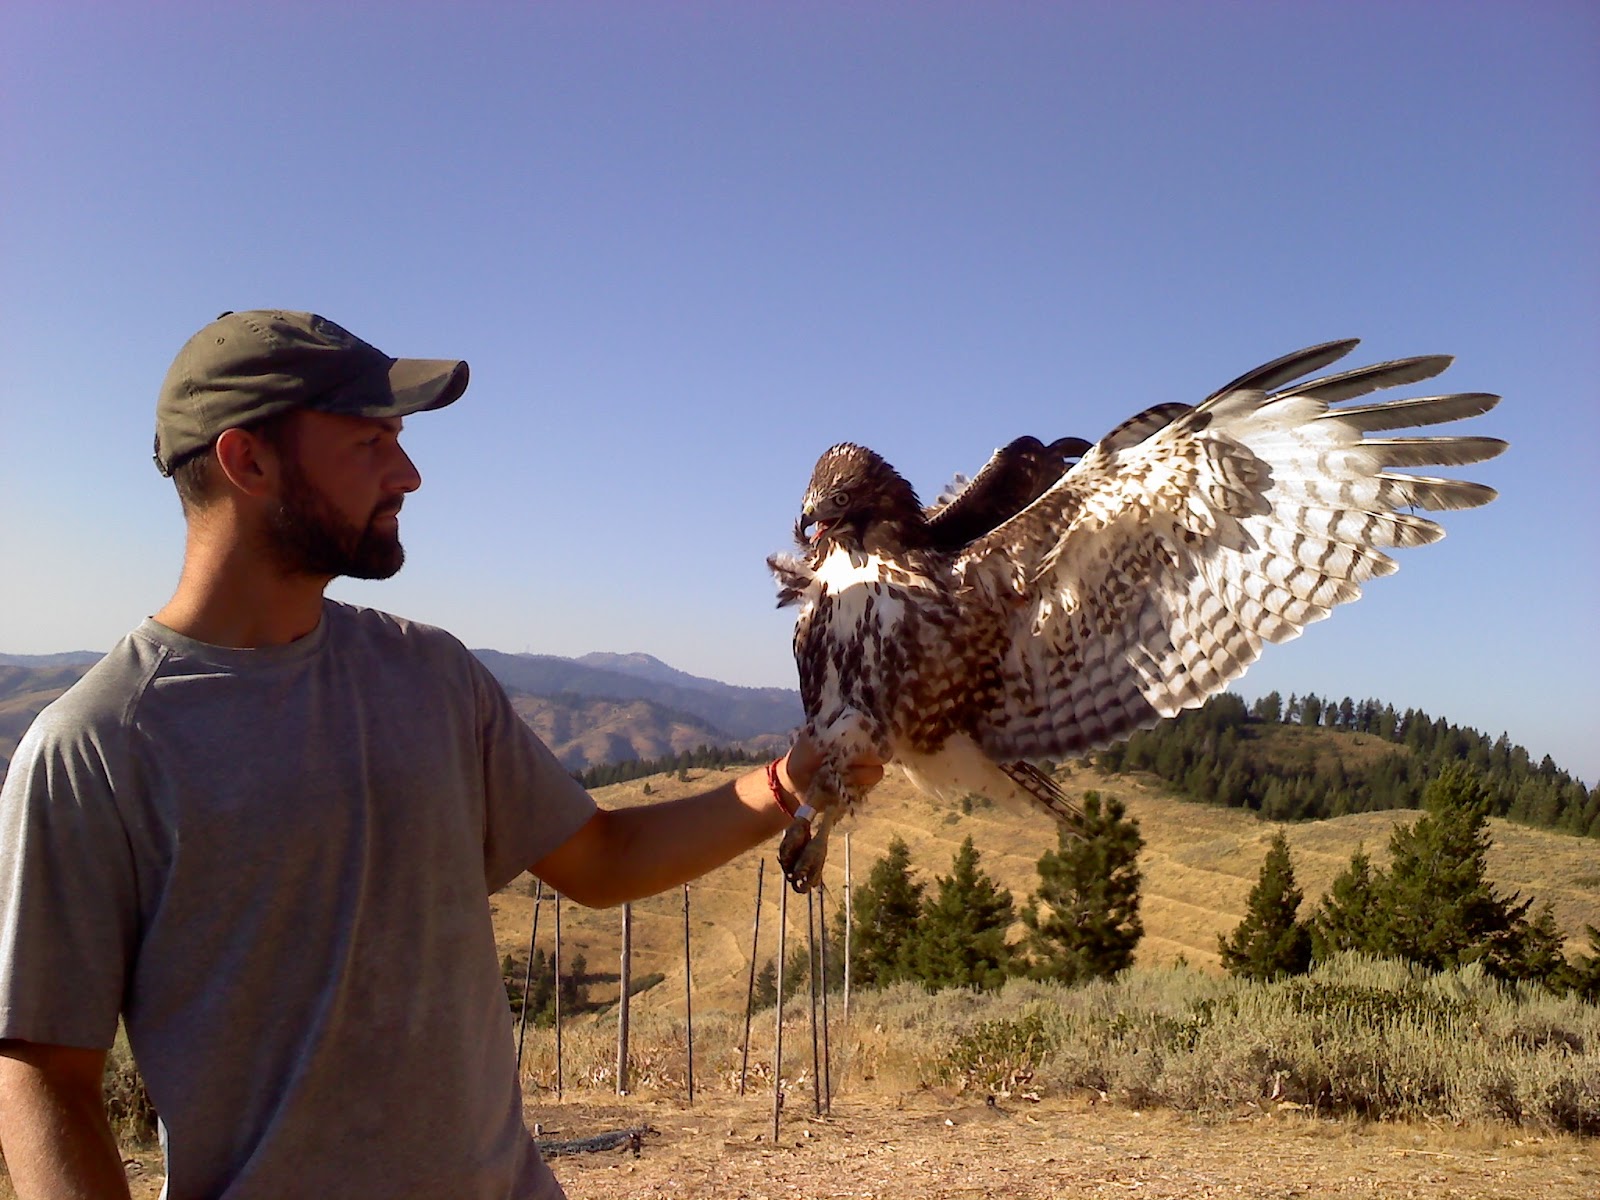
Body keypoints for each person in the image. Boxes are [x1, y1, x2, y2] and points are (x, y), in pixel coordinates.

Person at [0, 310, 877, 1200]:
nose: (408, 473)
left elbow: (601, 860)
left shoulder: (432, 674)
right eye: (370, 441)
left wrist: (792, 780)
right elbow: (42, 1077)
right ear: (248, 461)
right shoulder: (96, 747)